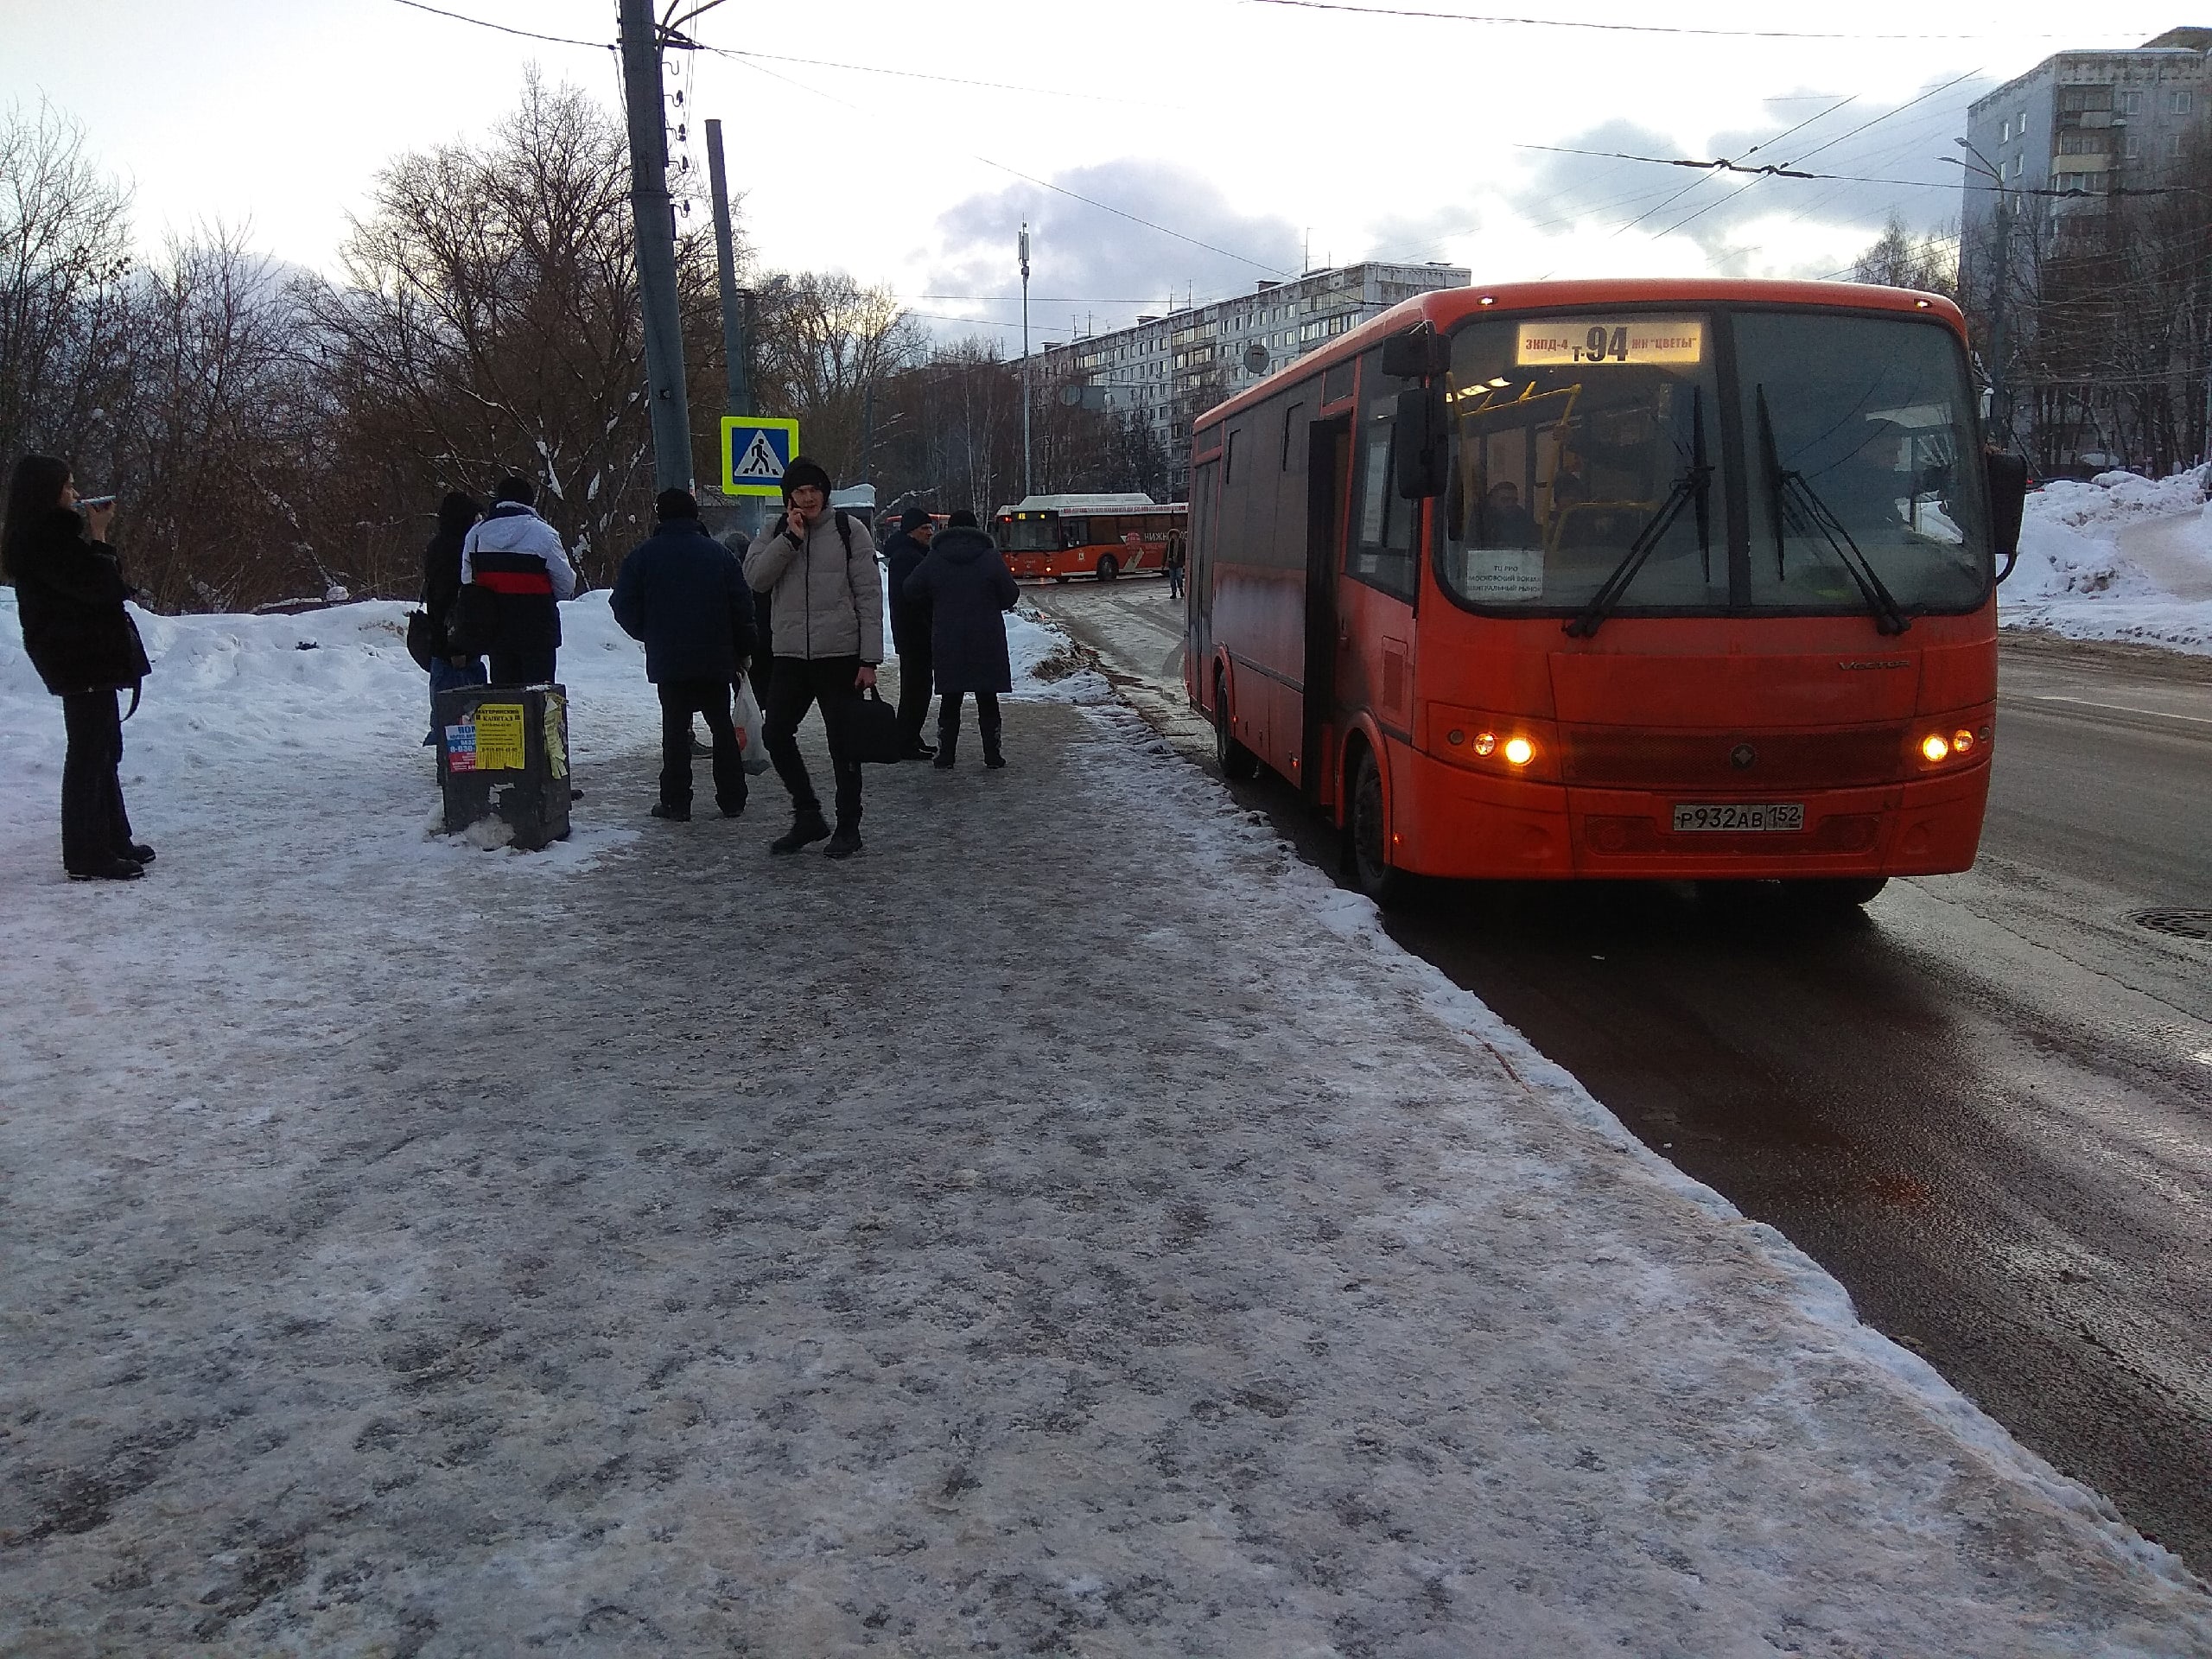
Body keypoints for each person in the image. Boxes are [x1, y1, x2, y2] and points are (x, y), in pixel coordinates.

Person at [3, 454, 154, 881]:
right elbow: (102, 588)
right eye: (67, 486)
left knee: (104, 747)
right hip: (77, 655)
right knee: (90, 752)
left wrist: (97, 541)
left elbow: (100, 584)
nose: (74, 494)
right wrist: (101, 536)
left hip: (80, 655)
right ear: (47, 492)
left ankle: (111, 839)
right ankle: (87, 853)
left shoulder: (46, 538)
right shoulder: (46, 540)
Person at [742, 455, 883, 860]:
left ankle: (848, 826)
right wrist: (790, 540)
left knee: (844, 743)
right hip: (790, 654)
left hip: (840, 653)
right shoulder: (773, 531)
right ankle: (807, 814)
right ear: (788, 497)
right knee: (775, 734)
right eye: (800, 492)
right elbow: (756, 580)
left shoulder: (848, 531)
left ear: (825, 492)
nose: (808, 499)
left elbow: (869, 595)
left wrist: (869, 660)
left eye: (814, 491)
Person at [612, 487, 757, 822]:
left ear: (660, 516)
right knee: (721, 726)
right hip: (716, 658)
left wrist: (648, 633)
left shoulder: (642, 556)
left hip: (670, 660)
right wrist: (744, 647)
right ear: (696, 516)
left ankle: (677, 802)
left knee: (675, 730)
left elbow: (622, 605)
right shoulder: (719, 555)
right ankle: (732, 798)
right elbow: (742, 605)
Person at [904, 508, 1018, 770]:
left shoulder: (936, 558)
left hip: (948, 638)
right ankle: (992, 755)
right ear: (977, 529)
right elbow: (1010, 595)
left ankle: (946, 755)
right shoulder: (990, 558)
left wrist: (935, 602)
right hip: (986, 638)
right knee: (987, 698)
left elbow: (910, 589)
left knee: (951, 698)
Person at [458, 474, 576, 685]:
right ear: (529, 502)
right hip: (538, 629)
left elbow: (468, 581)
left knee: (505, 696)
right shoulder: (544, 534)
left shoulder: (476, 535)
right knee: (540, 697)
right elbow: (566, 582)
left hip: (494, 628)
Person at [422, 490, 486, 744]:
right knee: (464, 705)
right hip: (457, 640)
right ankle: (460, 761)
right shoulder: (462, 548)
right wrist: (458, 643)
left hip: (439, 636)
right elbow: (456, 599)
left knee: (444, 702)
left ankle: (446, 756)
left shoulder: (436, 546)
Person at [879, 506, 938, 760]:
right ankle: (905, 740)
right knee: (916, 689)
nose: (929, 532)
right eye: (924, 528)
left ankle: (911, 736)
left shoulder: (911, 554)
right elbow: (914, 597)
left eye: (930, 528)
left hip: (913, 632)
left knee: (918, 688)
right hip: (915, 633)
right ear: (912, 531)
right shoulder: (908, 557)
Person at [1483, 480, 1541, 548]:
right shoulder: (1481, 518)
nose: (1510, 504)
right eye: (1505, 500)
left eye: (1514, 500)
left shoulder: (1523, 518)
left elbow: (1534, 544)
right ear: (1493, 501)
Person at [1164, 531, 1186, 599]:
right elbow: (1165, 553)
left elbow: (1185, 552)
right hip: (1171, 564)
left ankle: (1181, 590)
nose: (1173, 536)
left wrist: (1184, 561)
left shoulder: (1181, 543)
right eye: (1172, 535)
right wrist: (1163, 563)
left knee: (1179, 577)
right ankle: (1174, 592)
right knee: (1172, 579)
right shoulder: (1169, 543)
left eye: (1174, 535)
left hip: (1179, 563)